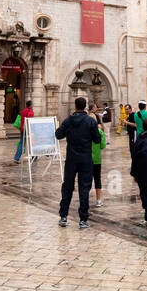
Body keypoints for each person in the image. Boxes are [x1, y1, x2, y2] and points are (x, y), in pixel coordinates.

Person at [57, 97, 104, 228]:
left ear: (75, 106)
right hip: (85, 158)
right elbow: (96, 139)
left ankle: (63, 216)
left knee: (67, 187)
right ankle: (83, 219)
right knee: (84, 188)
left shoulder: (68, 121)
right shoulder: (90, 121)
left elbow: (58, 135)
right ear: (84, 107)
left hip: (71, 158)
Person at [91, 112, 108, 208]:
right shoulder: (100, 132)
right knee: (97, 179)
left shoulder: (85, 132)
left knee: (86, 179)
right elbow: (103, 146)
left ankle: (85, 199)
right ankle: (98, 200)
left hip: (86, 159)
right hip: (97, 159)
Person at [13, 99, 35, 163]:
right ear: (30, 105)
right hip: (28, 129)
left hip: (23, 129)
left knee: (21, 143)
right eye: (32, 104)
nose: (33, 105)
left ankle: (16, 158)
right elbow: (29, 121)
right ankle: (35, 156)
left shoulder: (24, 110)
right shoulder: (30, 111)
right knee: (32, 143)